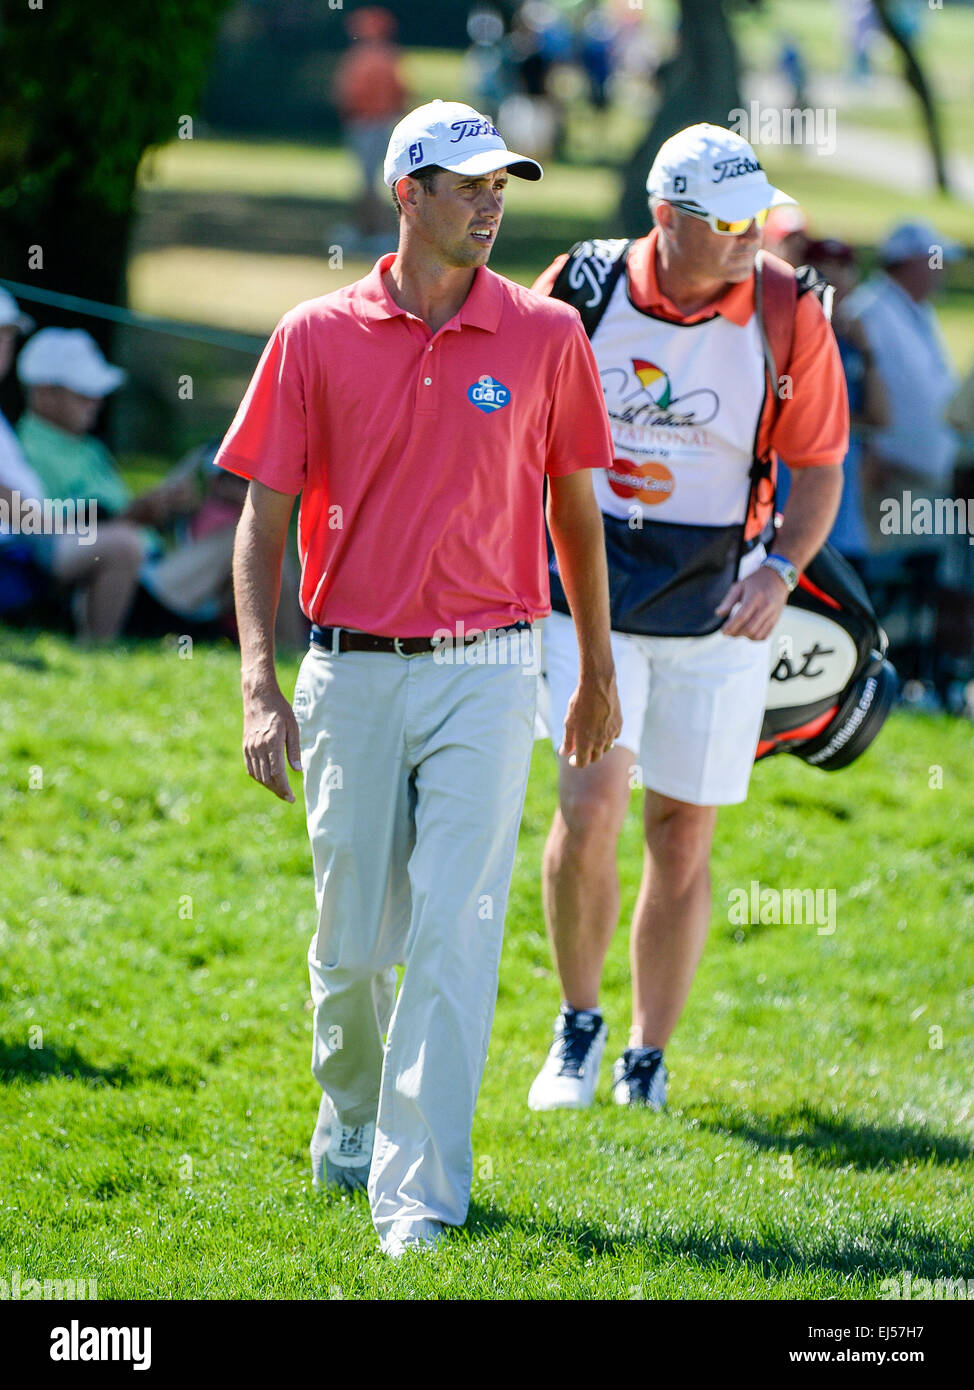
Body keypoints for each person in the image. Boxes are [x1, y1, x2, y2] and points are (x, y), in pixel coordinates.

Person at [214, 99, 621, 1257]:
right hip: (350, 672)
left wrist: (590, 665)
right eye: (468, 185)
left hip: (492, 672)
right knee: (351, 948)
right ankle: (348, 1117)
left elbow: (574, 509)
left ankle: (418, 1196)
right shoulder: (312, 333)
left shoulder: (545, 335)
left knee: (452, 933)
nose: (491, 203)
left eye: (503, 185)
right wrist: (258, 681)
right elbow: (262, 519)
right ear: (407, 194)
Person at [527, 123, 848, 1113]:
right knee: (587, 815)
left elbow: (821, 465)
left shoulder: (787, 309)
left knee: (679, 836)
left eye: (762, 213)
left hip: (718, 605)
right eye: (730, 219)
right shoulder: (579, 291)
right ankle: (576, 1027)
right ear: (665, 219)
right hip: (584, 590)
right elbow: (506, 431)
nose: (755, 233)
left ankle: (643, 1056)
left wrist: (783, 568)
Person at [844, 221, 961, 691]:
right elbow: (856, 392)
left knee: (919, 579)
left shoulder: (918, 309)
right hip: (885, 477)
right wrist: (871, 452)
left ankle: (907, 676)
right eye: (936, 260)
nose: (944, 270)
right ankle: (872, 673)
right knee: (884, 581)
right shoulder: (867, 310)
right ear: (910, 261)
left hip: (924, 477)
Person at [0, 302, 143, 641]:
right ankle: (96, 651)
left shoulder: (87, 447)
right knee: (122, 543)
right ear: (46, 392)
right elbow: (10, 503)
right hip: (22, 540)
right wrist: (54, 525)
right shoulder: (34, 440)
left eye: (7, 339)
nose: (96, 402)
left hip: (35, 533)